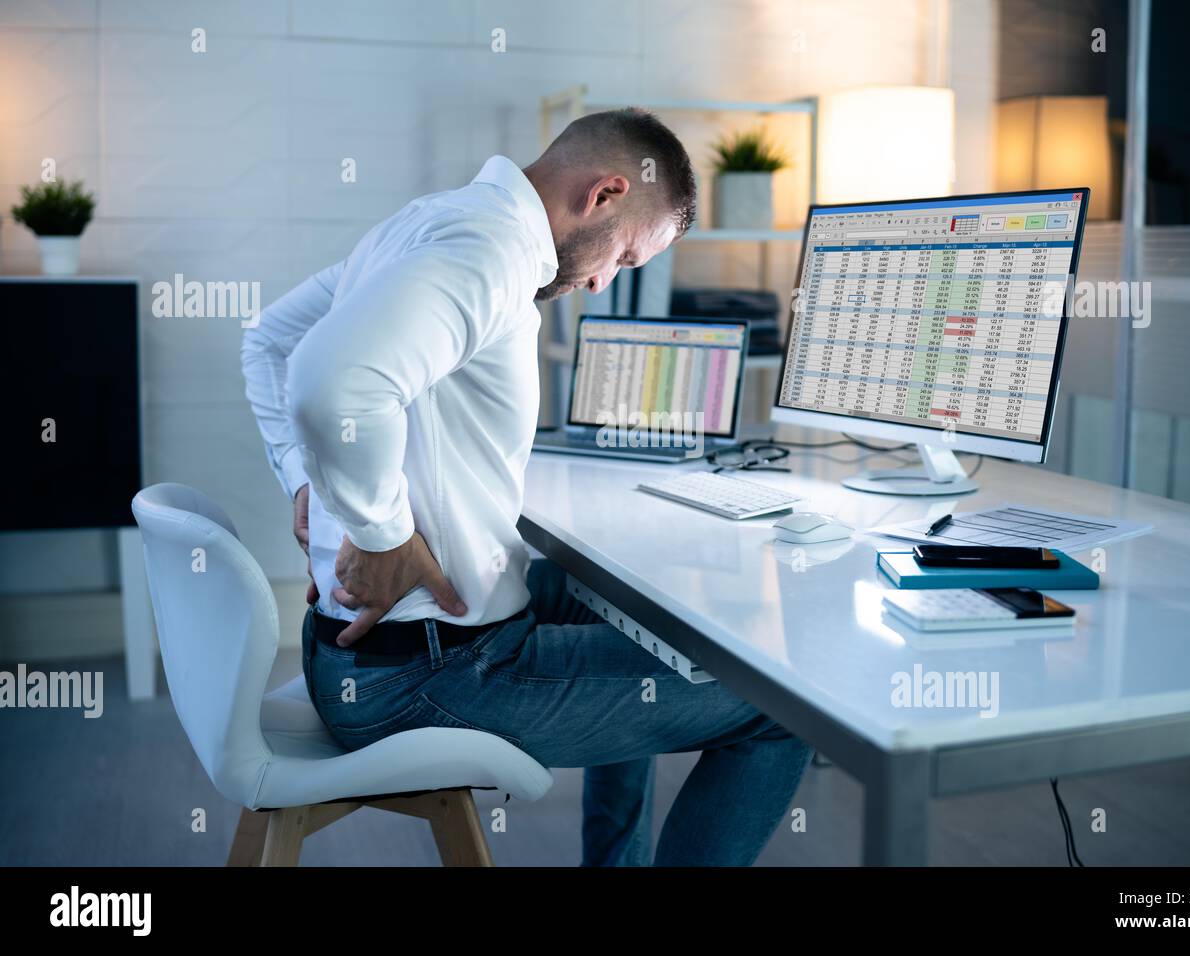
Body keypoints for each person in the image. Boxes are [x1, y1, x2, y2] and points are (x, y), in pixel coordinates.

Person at [241, 108, 812, 866]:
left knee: (643, 619)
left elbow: (271, 338)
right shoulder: (492, 250)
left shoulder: (432, 220)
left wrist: (302, 478)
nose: (605, 281)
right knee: (781, 709)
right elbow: (326, 382)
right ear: (606, 193)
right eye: (627, 258)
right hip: (426, 671)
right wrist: (382, 533)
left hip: (367, 648)